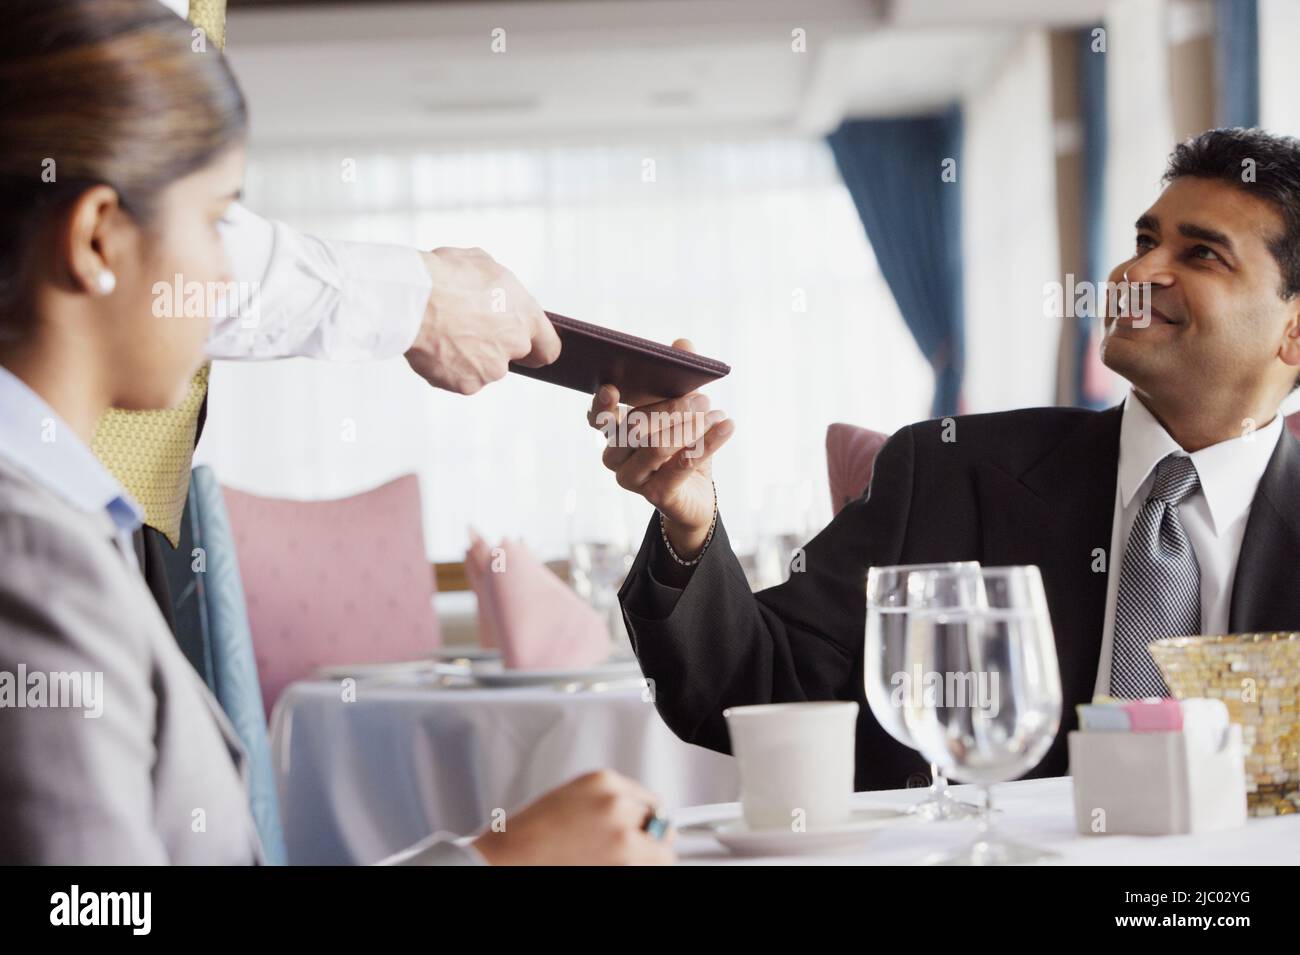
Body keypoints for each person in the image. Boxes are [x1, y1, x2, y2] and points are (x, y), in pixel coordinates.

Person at [0, 0, 671, 865]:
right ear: (96, 238)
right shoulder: (38, 564)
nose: (219, 270)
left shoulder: (71, 529)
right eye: (214, 222)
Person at [588, 127, 1300, 791]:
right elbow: (755, 683)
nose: (1137, 269)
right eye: (1145, 239)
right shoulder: (946, 471)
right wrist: (691, 526)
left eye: (1199, 252)